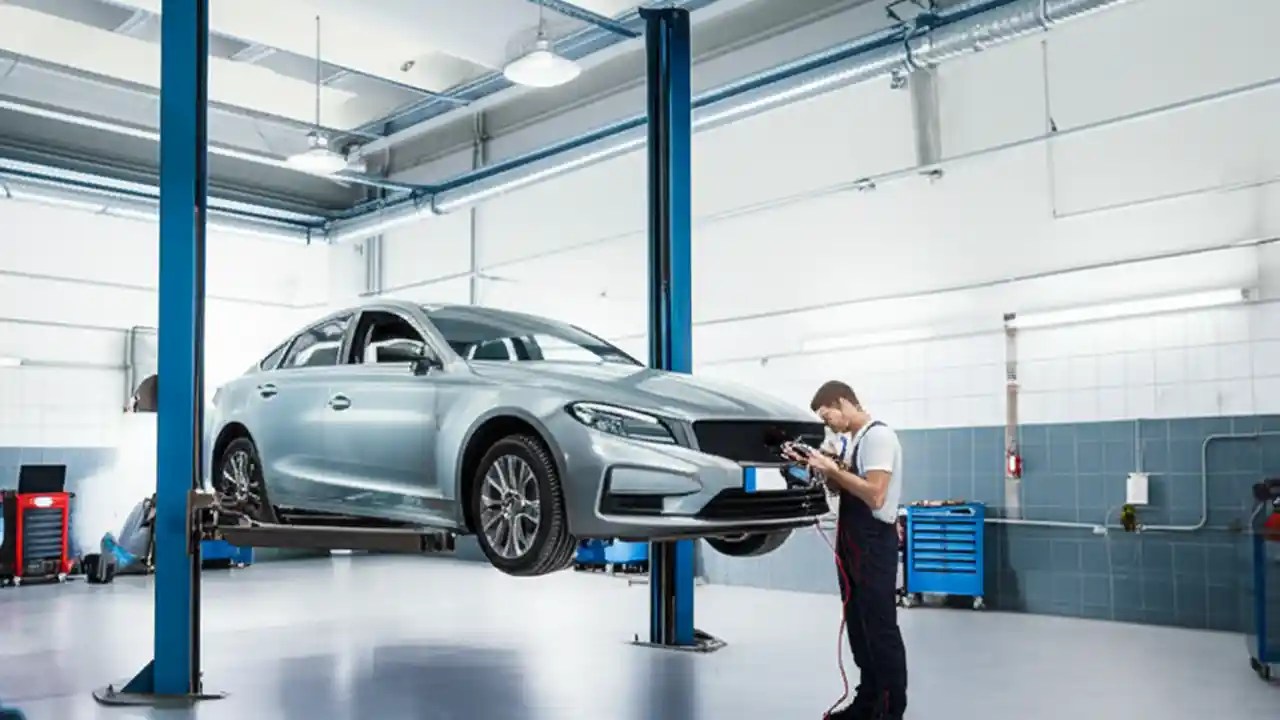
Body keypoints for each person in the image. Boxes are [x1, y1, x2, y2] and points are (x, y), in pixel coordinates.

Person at [787, 380, 907, 720]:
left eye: (828, 417)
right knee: (858, 626)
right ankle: (867, 701)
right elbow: (843, 490)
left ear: (842, 402)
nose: (828, 425)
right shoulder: (852, 442)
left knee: (880, 628)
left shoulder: (878, 436)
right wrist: (823, 467)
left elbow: (876, 495)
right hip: (852, 540)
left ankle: (889, 710)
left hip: (873, 542)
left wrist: (833, 468)